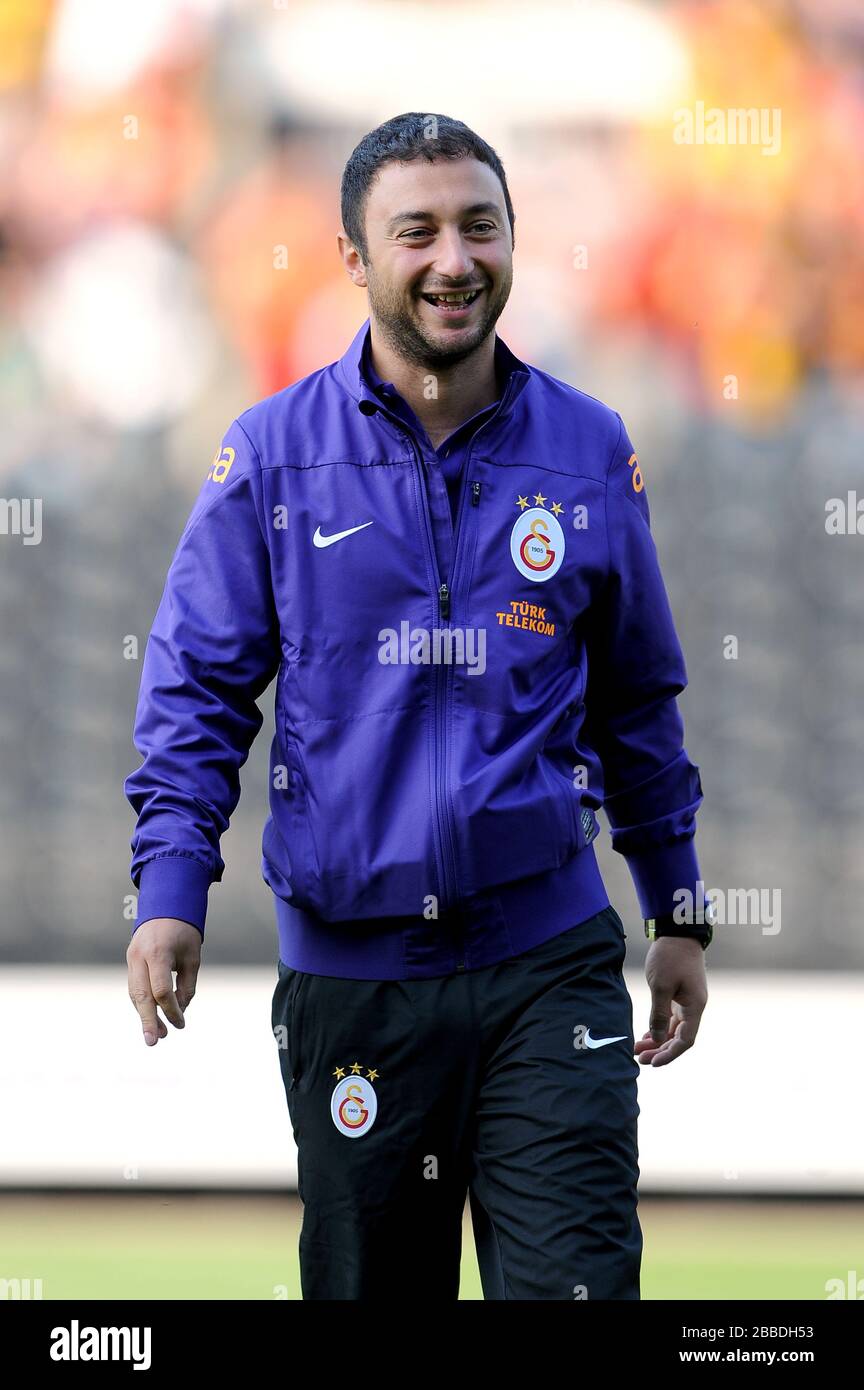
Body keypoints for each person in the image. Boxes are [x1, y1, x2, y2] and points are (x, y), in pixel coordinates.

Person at [125, 112, 711, 1301]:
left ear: (512, 239)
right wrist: (170, 889)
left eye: (480, 225)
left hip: (550, 962)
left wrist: (679, 906)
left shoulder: (590, 449)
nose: (455, 257)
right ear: (354, 258)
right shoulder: (274, 457)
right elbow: (194, 692)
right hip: (355, 986)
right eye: (418, 231)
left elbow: (638, 701)